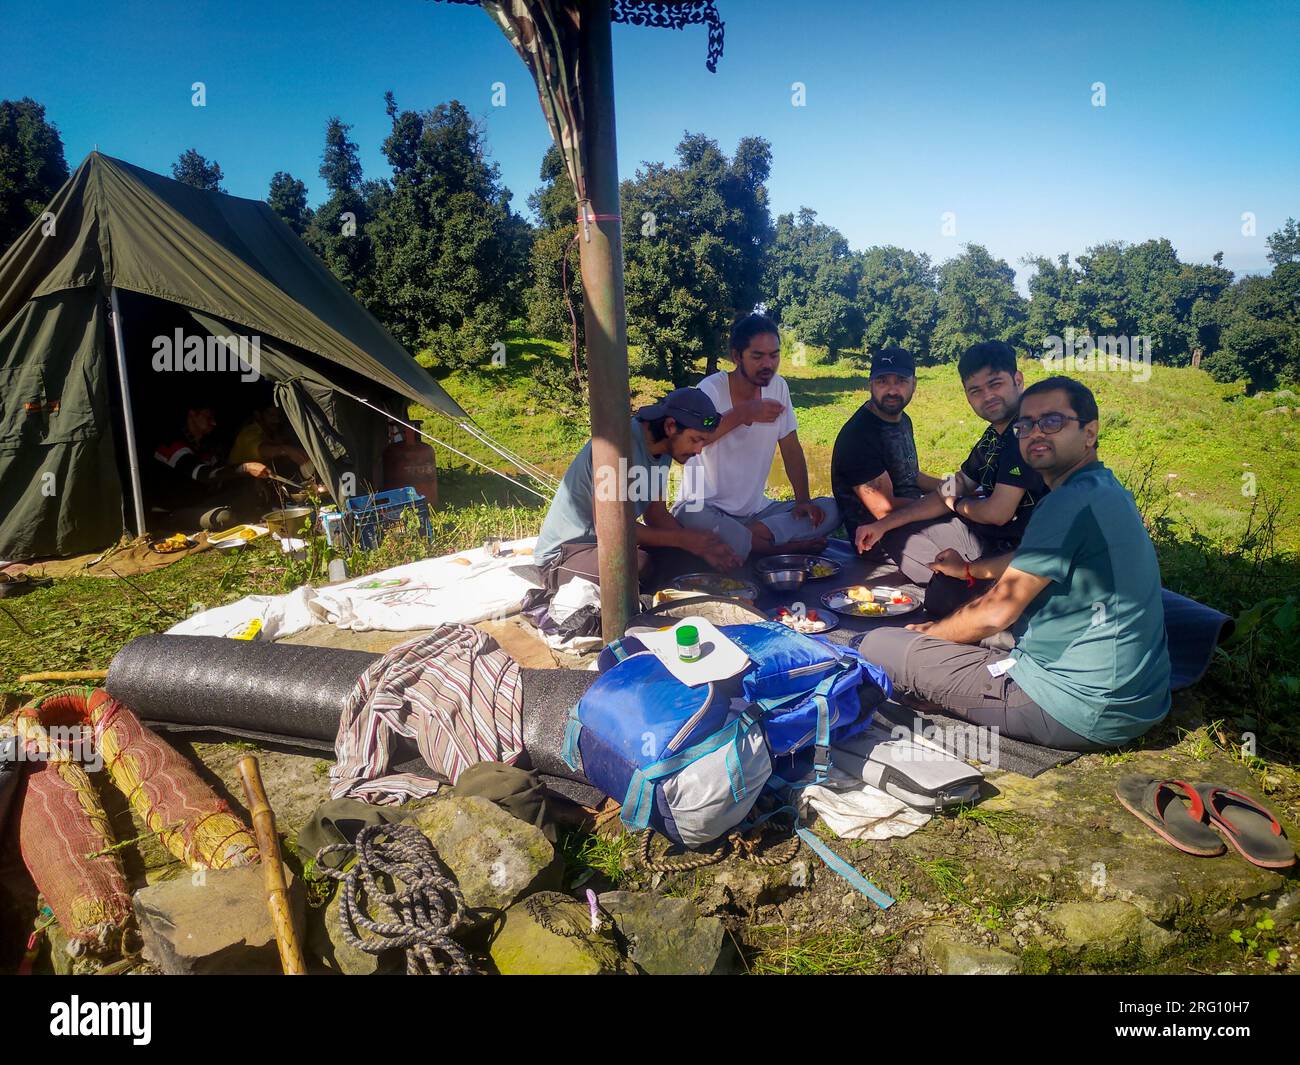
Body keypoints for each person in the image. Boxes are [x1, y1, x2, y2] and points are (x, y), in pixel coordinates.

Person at [858, 376, 1171, 751]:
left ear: (1090, 433)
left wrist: (926, 638)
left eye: (1053, 421)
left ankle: (942, 677)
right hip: (1141, 700)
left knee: (878, 645)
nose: (1035, 433)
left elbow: (995, 612)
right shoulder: (1101, 488)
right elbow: (1031, 560)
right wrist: (969, 572)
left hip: (1071, 707)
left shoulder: (1066, 503)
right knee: (961, 627)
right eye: (1025, 425)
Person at [854, 341, 1047, 614]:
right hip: (989, 540)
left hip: (1027, 555)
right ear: (968, 397)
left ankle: (976, 588)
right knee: (897, 531)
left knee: (941, 598)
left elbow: (997, 513)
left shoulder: (1027, 434)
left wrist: (955, 504)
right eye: (976, 390)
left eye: (995, 384)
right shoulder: (993, 437)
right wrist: (884, 524)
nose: (988, 396)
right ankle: (964, 578)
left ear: (1018, 380)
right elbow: (955, 485)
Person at [534, 387, 743, 593]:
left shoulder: (666, 451)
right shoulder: (617, 446)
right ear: (671, 426)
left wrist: (701, 547)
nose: (698, 451)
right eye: (695, 440)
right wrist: (683, 540)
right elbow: (610, 531)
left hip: (609, 547)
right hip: (564, 556)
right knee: (636, 566)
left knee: (684, 560)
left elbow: (656, 515)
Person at [672, 313, 840, 561]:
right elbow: (691, 442)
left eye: (774, 355)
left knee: (832, 509)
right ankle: (781, 550)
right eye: (758, 356)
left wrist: (803, 500)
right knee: (691, 516)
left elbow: (791, 447)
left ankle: (747, 538)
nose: (768, 365)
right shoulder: (711, 390)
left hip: (755, 511)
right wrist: (743, 414)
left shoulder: (778, 387)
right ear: (737, 356)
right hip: (703, 506)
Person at [830, 346, 943, 548]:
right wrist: (946, 504)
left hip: (917, 520)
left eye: (900, 381)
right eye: (883, 382)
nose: (892, 391)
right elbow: (884, 509)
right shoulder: (858, 437)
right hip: (883, 543)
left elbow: (912, 475)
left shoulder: (903, 420)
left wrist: (955, 488)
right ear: (870, 384)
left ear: (914, 384)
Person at [151, 406, 270, 531]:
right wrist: (246, 467)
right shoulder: (171, 444)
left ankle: (253, 519)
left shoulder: (205, 445)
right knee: (224, 517)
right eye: (208, 417)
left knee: (247, 491)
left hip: (200, 503)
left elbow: (221, 472)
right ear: (192, 415)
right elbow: (203, 474)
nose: (213, 423)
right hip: (172, 512)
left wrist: (252, 478)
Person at [228, 404, 312, 479]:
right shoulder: (248, 432)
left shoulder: (272, 431)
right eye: (271, 415)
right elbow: (262, 449)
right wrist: (286, 450)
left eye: (278, 416)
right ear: (258, 415)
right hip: (235, 483)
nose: (277, 420)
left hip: (259, 481)